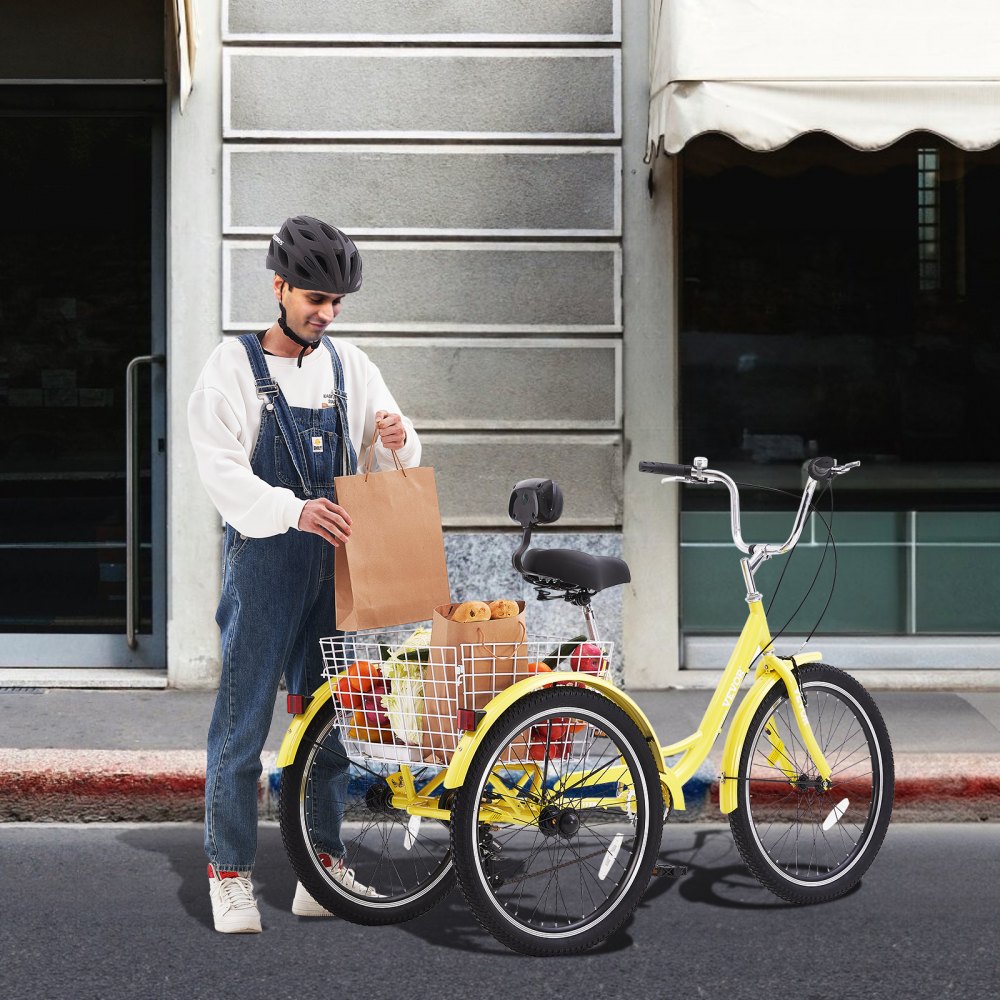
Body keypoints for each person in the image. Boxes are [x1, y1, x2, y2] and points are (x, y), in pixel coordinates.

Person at [187, 215, 420, 933]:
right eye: (316, 298)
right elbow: (220, 474)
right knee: (242, 722)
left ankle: (322, 868)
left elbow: (394, 463)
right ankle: (229, 871)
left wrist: (397, 439)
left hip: (339, 569)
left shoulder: (350, 366)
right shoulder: (228, 370)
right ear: (280, 286)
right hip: (267, 564)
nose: (327, 314)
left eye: (337, 303)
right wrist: (291, 512)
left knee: (331, 725)